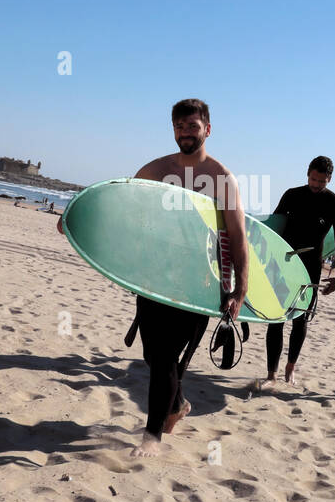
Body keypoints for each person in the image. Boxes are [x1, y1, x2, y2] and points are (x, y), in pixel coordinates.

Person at [60, 98, 248, 458]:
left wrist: (239, 289)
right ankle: (176, 406)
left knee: (165, 359)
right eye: (179, 127)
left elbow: (239, 237)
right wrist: (75, 218)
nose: (185, 133)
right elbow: (122, 205)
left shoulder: (222, 178)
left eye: (192, 126)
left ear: (207, 129)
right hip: (156, 279)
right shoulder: (157, 170)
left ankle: (152, 438)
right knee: (153, 356)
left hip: (201, 284)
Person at [255, 156, 335, 392]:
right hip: (284, 262)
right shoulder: (292, 195)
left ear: (330, 179)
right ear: (308, 174)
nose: (316, 185)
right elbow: (273, 227)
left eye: (322, 181)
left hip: (310, 267)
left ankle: (290, 367)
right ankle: (271, 374)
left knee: (300, 319)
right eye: (314, 179)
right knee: (276, 318)